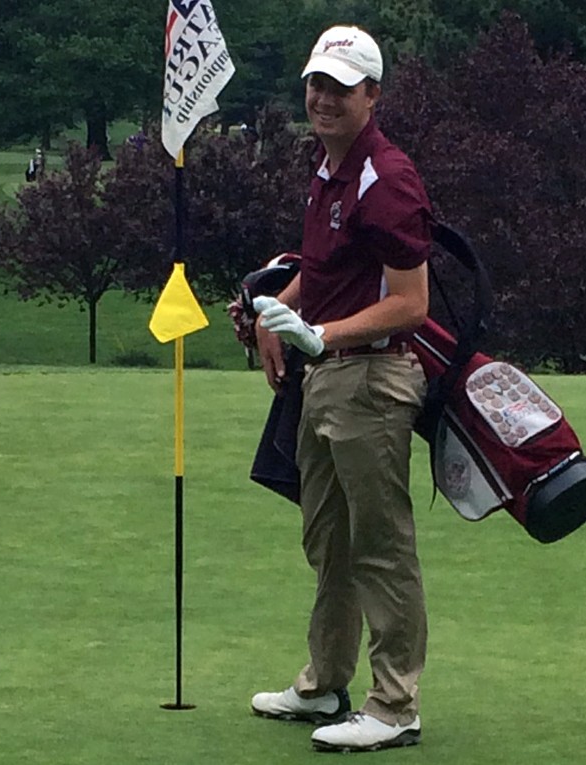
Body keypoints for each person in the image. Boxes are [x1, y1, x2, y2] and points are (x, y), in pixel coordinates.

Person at [249, 25, 433, 753]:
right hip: (326, 377)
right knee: (327, 538)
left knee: (380, 546)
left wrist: (322, 335)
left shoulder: (384, 179)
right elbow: (323, 272)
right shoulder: (329, 168)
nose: (321, 99)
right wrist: (276, 310)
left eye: (339, 87)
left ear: (372, 95)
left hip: (373, 377)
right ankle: (325, 681)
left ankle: (395, 706)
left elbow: (411, 303)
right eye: (316, 84)